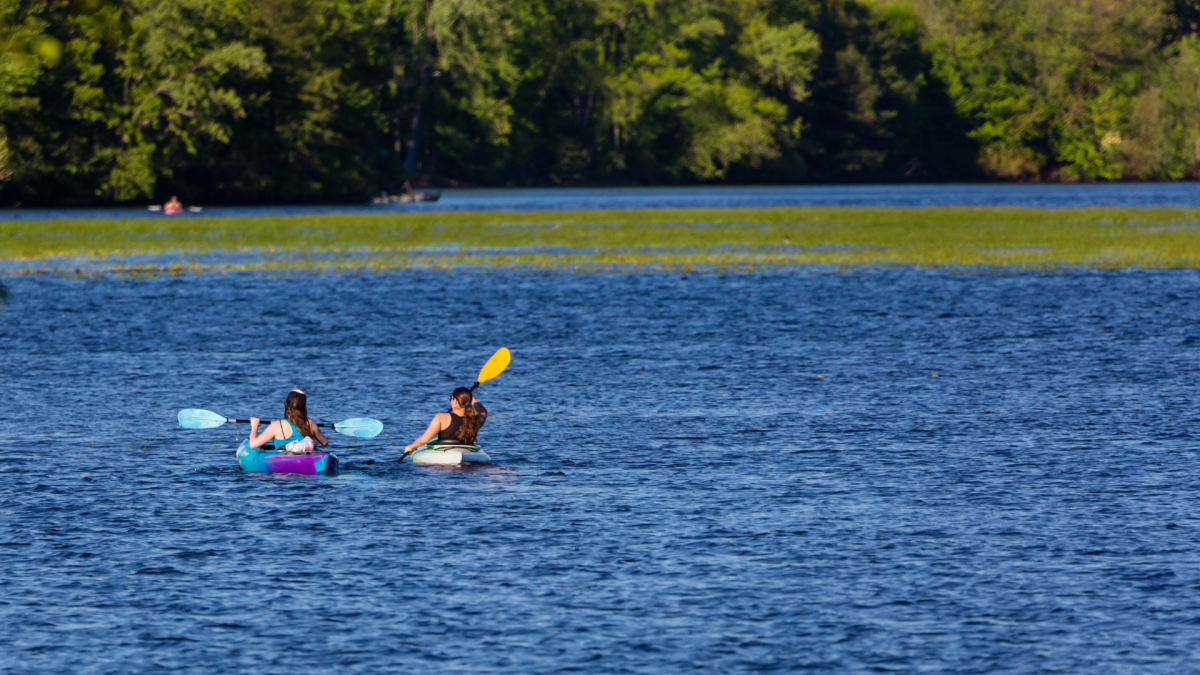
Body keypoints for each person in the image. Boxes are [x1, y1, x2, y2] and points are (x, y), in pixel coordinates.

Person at [403, 387, 488, 455]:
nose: (450, 400)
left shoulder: (441, 417)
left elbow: (423, 441)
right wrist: (471, 398)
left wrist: (411, 447)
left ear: (455, 401)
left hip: (444, 455)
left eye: (451, 398)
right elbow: (483, 412)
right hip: (468, 452)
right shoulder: (475, 419)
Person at [249, 390, 329, 453]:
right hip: (305, 460)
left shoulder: (277, 425)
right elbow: (324, 443)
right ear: (304, 407)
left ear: (285, 404)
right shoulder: (310, 423)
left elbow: (253, 445)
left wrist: (254, 426)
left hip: (282, 465)